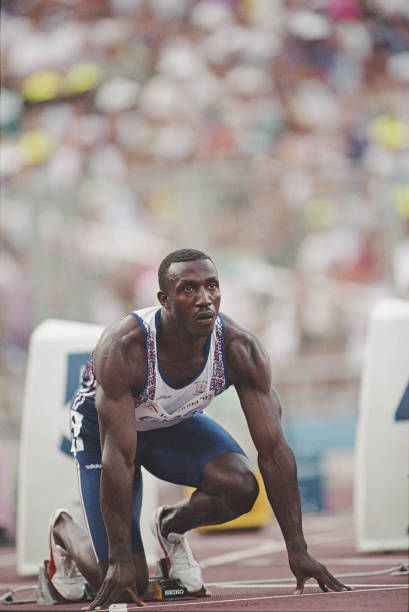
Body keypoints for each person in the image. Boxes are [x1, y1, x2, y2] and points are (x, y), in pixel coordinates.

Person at [47, 248, 350, 609]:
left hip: (169, 424)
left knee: (240, 487)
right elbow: (121, 460)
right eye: (188, 289)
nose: (205, 299)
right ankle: (65, 531)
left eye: (211, 286)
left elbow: (273, 451)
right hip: (105, 436)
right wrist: (119, 560)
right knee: (128, 580)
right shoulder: (125, 348)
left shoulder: (239, 349)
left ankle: (171, 526)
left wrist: (298, 550)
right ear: (165, 300)